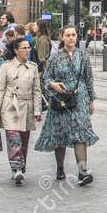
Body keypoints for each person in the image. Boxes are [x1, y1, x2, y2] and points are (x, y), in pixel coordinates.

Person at [37, 25, 98, 185]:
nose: (71, 38)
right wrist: (53, 85)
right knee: (60, 134)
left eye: (73, 35)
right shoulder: (55, 57)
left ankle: (82, 172)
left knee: (80, 133)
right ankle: (60, 168)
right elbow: (45, 78)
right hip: (61, 99)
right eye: (68, 35)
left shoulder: (83, 55)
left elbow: (89, 78)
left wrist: (91, 100)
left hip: (80, 98)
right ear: (62, 37)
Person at [0, 34, 44, 184]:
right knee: (13, 138)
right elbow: (0, 90)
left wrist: (37, 110)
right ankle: (17, 169)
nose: (27, 50)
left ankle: (21, 167)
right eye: (24, 48)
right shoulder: (5, 67)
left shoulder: (33, 67)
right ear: (16, 50)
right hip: (10, 107)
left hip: (27, 106)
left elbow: (37, 90)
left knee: (24, 140)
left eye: (28, 48)